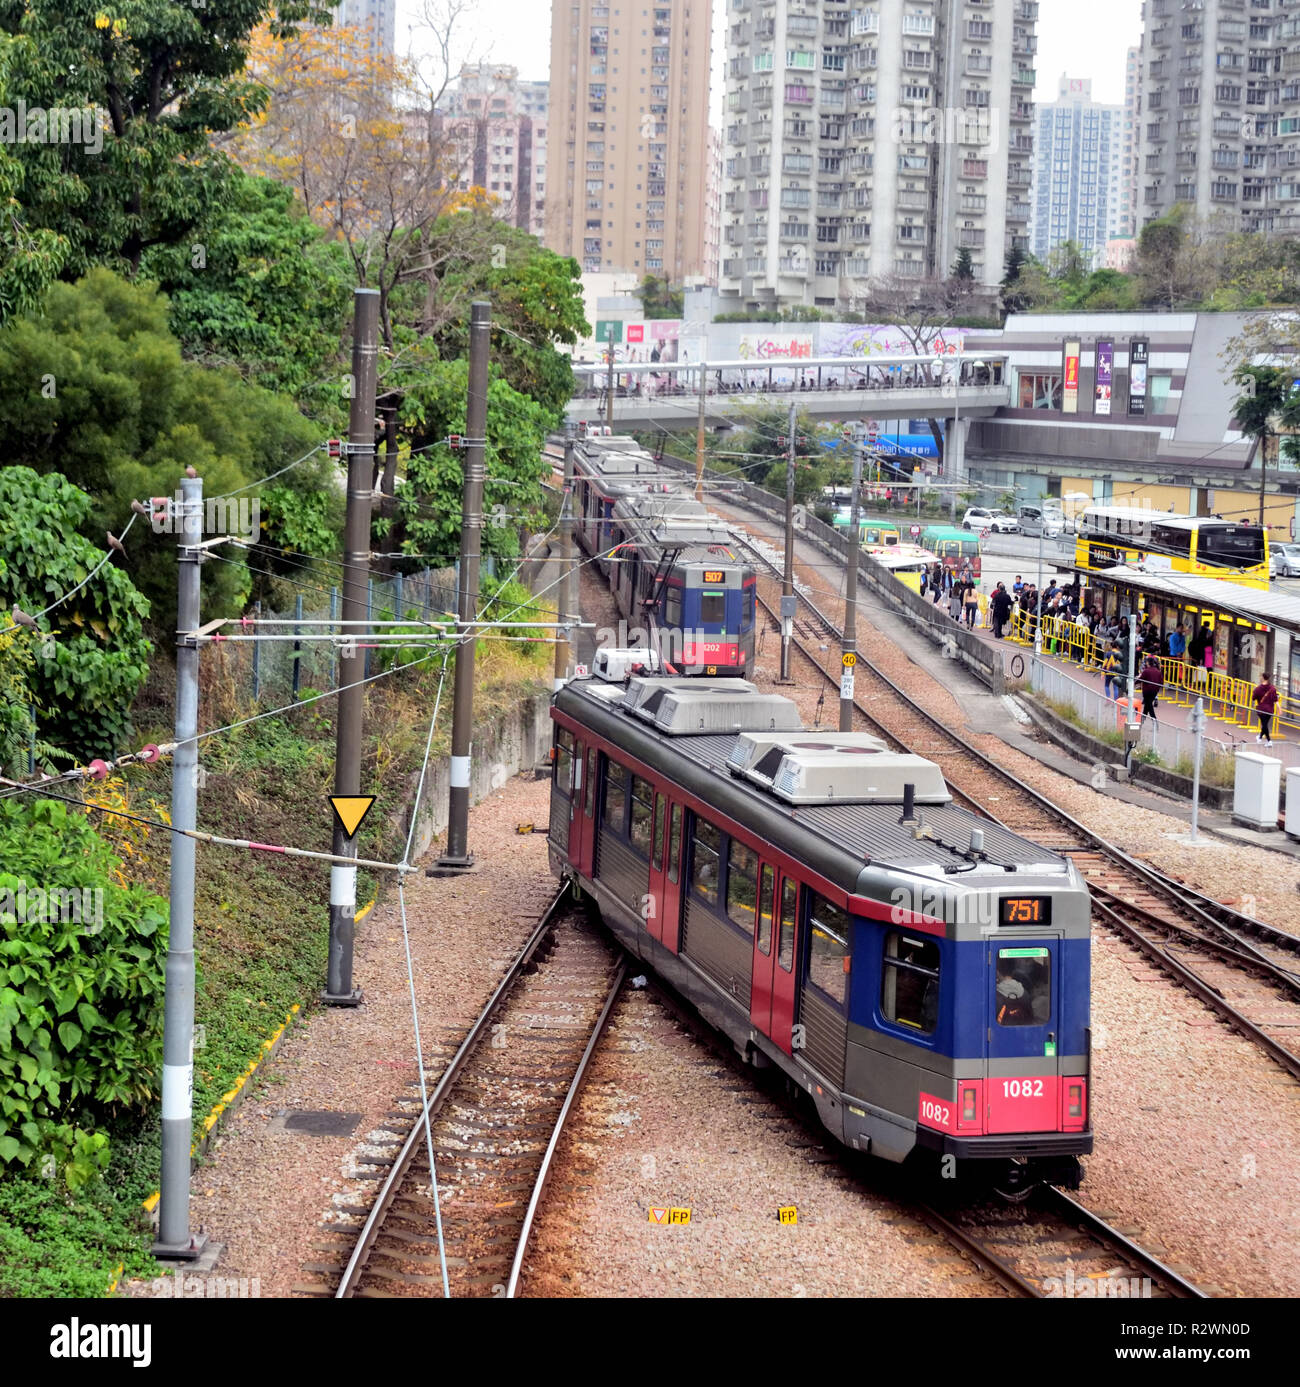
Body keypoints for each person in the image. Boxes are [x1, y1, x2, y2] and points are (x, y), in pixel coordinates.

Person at [1253, 673, 1279, 744]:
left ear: (1263, 678)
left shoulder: (1258, 688)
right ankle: (1260, 737)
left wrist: (1254, 691)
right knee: (1265, 725)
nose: (1260, 678)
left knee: (1264, 725)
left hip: (1261, 710)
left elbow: (1253, 698)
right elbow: (1275, 700)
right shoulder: (1272, 688)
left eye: (1260, 677)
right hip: (1270, 710)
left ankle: (1269, 741)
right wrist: (1279, 708)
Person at [1139, 653, 1164, 722]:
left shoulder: (1146, 671)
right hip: (1155, 691)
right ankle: (1142, 721)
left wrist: (1133, 683)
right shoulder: (1158, 671)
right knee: (1147, 706)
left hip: (1147, 691)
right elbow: (1161, 682)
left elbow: (1140, 679)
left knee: (1149, 705)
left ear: (1148, 663)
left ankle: (1154, 721)